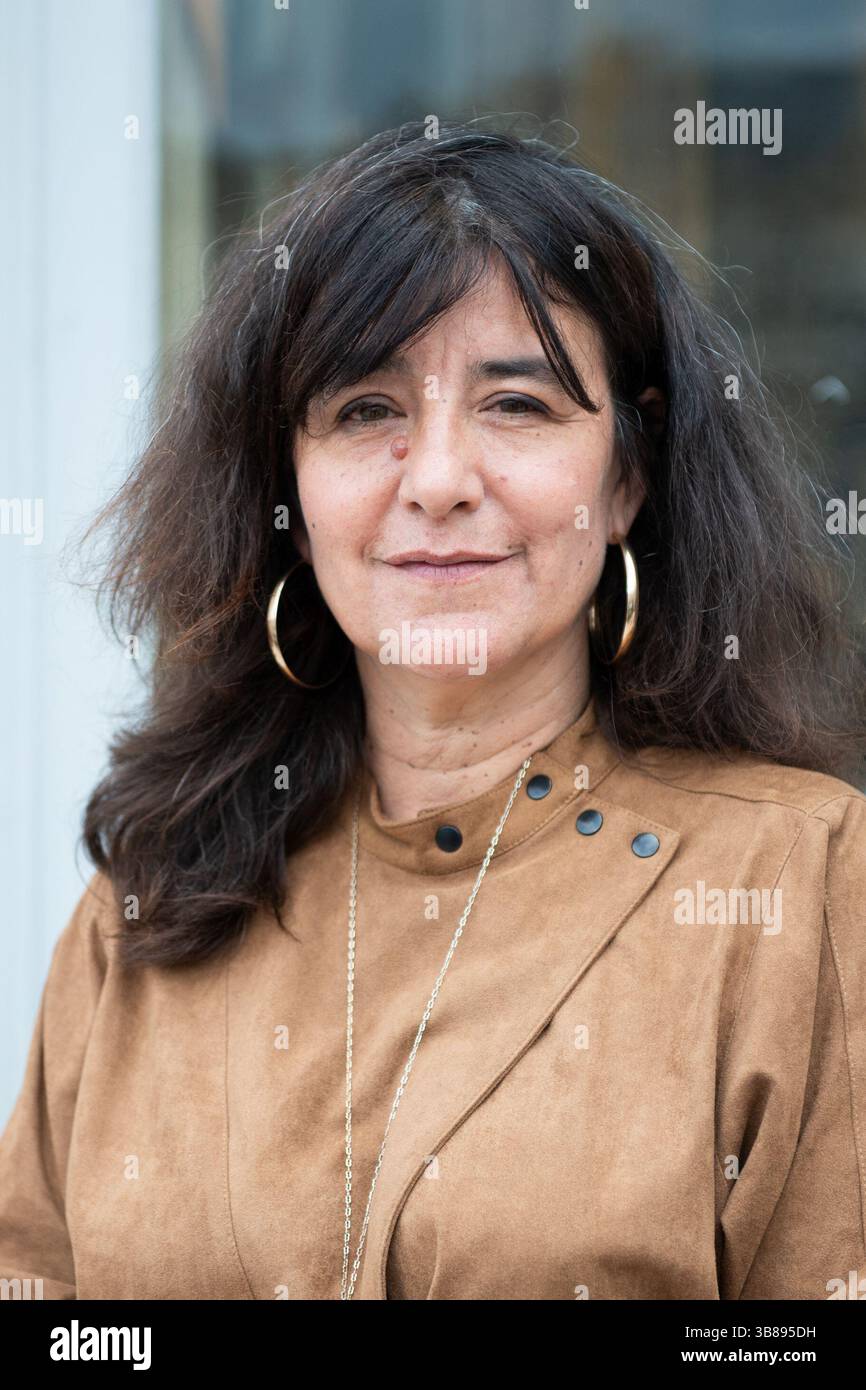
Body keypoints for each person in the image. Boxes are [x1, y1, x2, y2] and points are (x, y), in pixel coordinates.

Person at [1, 122, 864, 1301]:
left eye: (516, 404)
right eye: (364, 409)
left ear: (624, 479)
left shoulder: (804, 879)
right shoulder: (154, 894)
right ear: (287, 496)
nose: (440, 476)